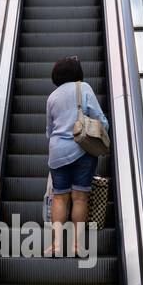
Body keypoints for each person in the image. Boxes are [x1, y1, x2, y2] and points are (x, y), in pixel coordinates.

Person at [45, 56, 108, 256]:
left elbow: (48, 130)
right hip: (82, 149)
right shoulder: (84, 88)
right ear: (77, 72)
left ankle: (56, 244)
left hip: (57, 152)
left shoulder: (52, 97)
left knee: (59, 198)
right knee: (80, 197)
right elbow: (100, 120)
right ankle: (76, 245)